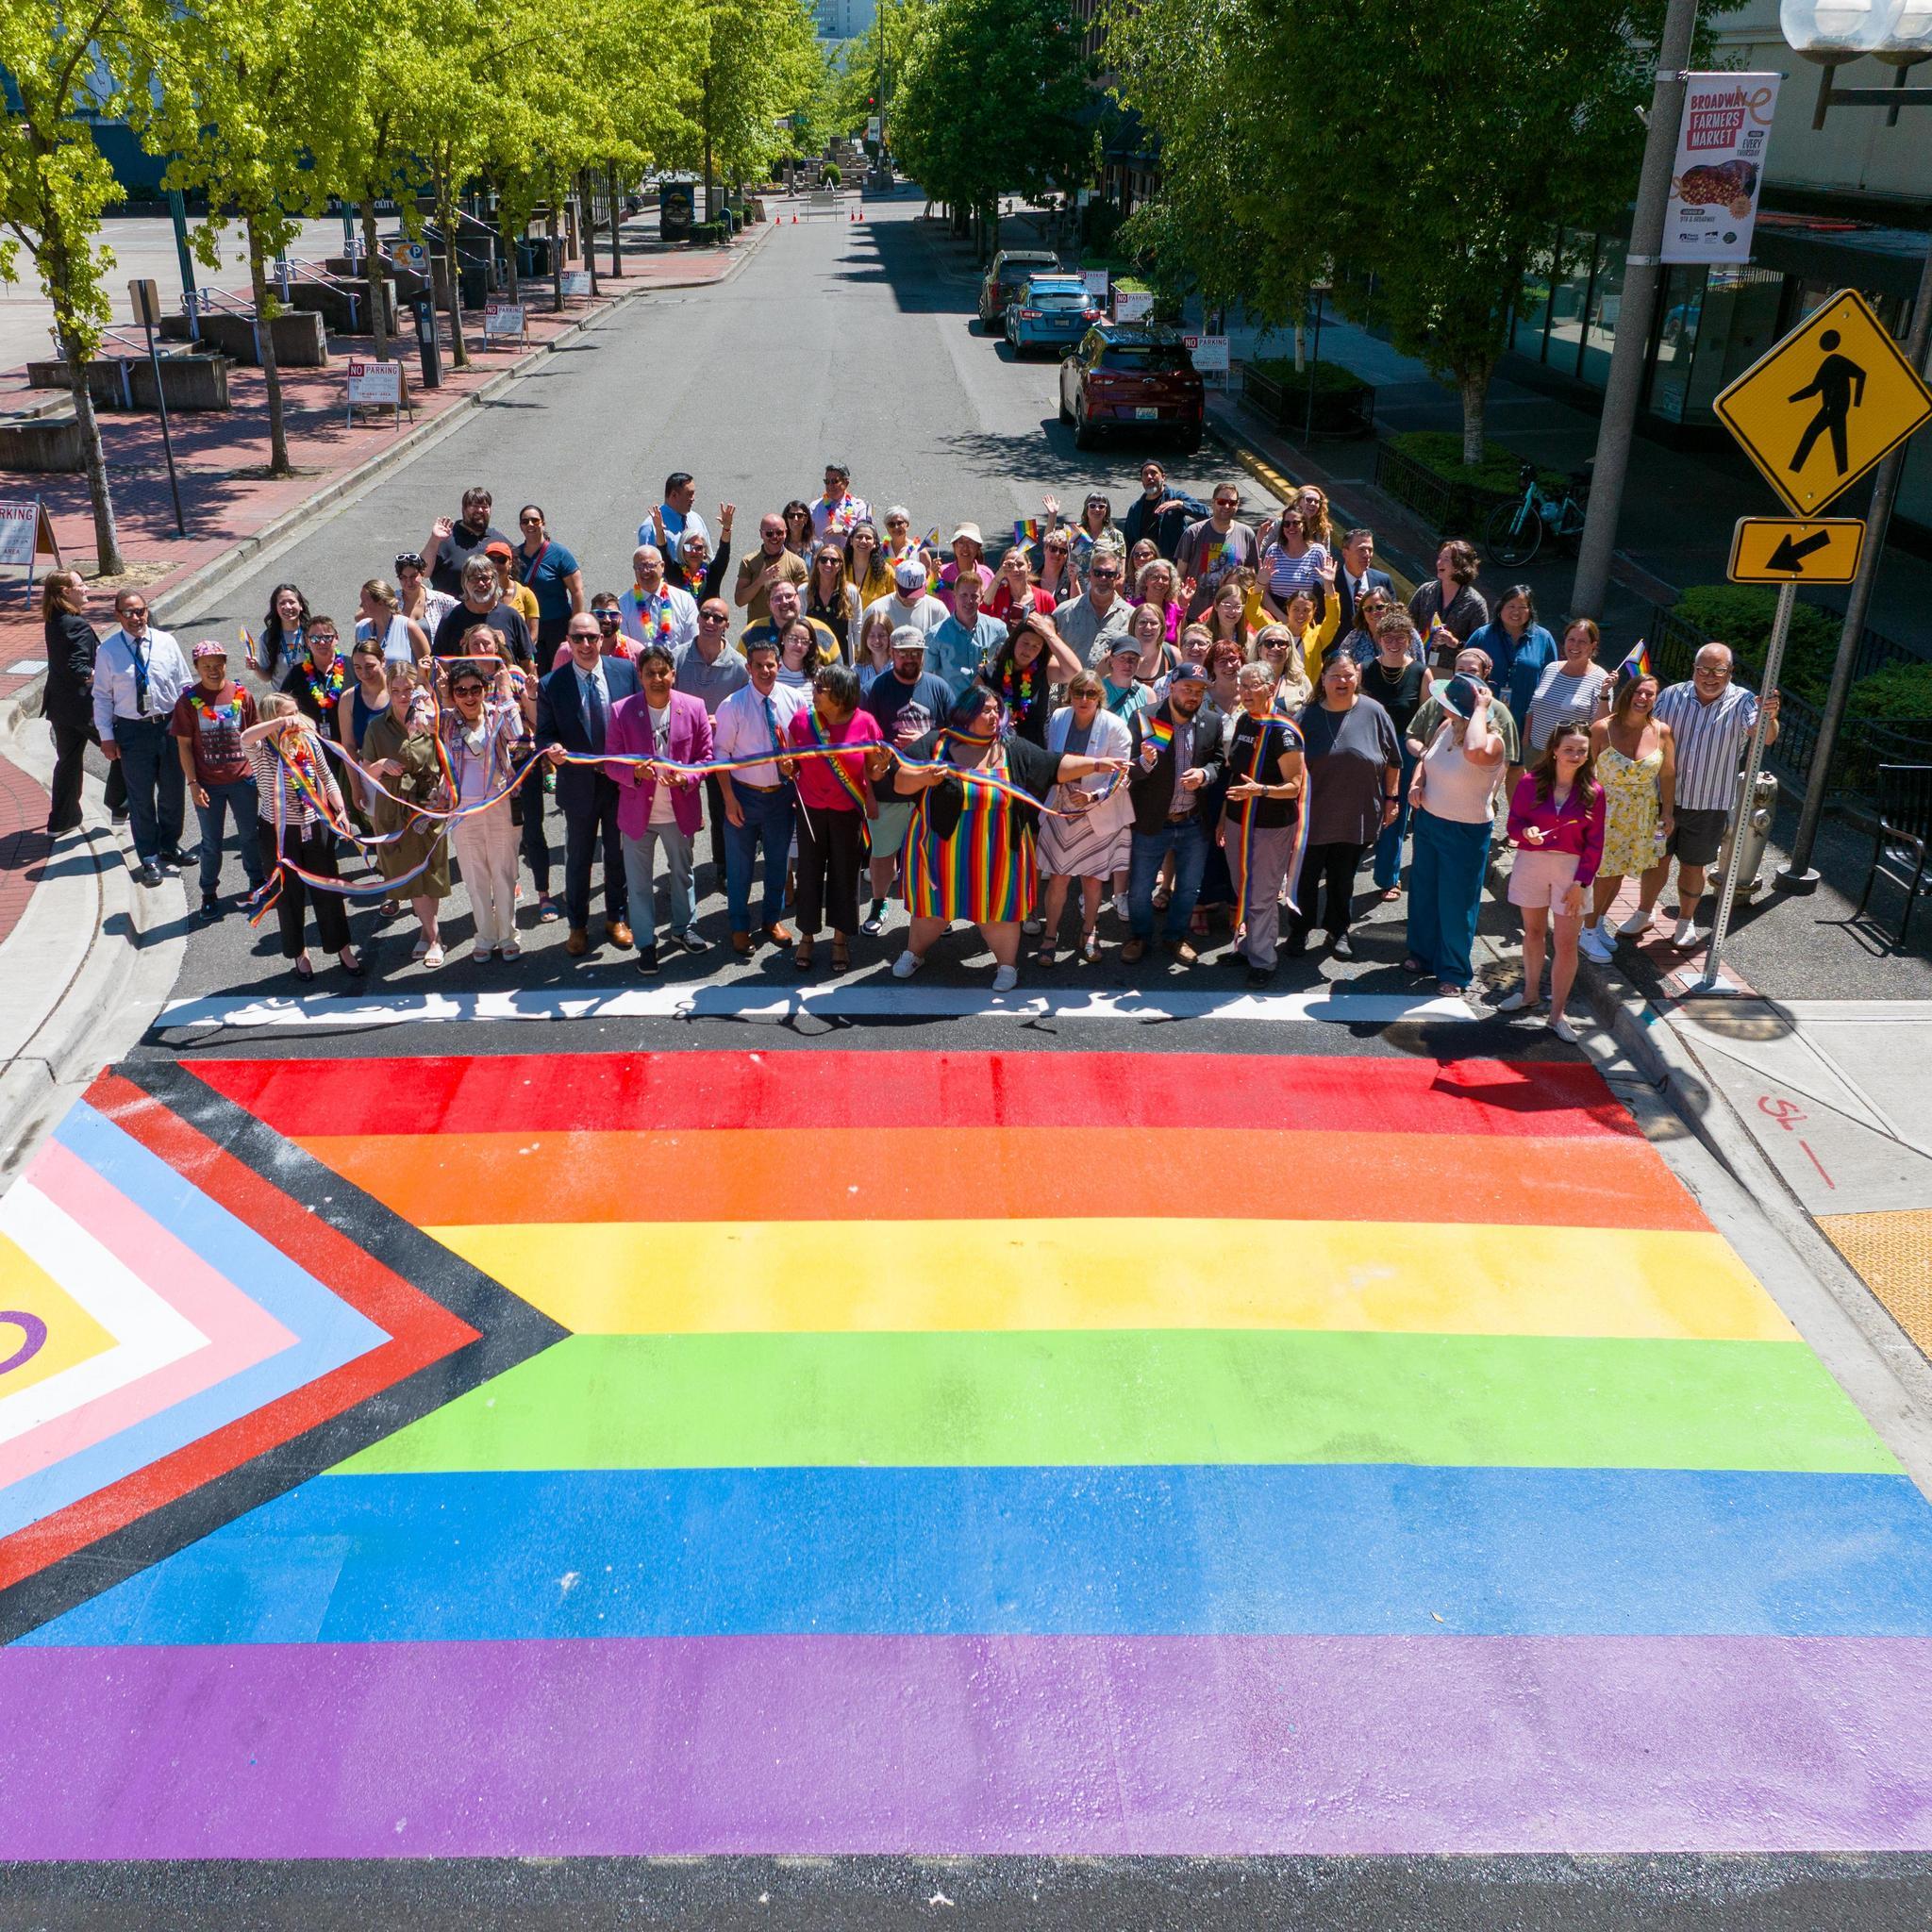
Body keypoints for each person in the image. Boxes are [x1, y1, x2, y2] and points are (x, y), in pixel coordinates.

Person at [891, 683, 1124, 993]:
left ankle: (1006, 964)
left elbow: (1054, 765)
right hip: (940, 850)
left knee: (998, 912)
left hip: (999, 852)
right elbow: (899, 781)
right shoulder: (938, 743)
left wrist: (1097, 763)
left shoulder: (1010, 747)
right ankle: (914, 953)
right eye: (985, 709)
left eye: (996, 710)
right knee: (933, 909)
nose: (993, 715)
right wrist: (923, 776)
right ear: (967, 712)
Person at [1650, 642, 1780, 947]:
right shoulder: (1671, 695)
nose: (1710, 677)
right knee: (1655, 860)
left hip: (1709, 803)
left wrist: (1770, 716)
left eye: (1718, 670)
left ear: (1730, 672)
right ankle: (1644, 912)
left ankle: (1685, 921)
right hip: (1663, 799)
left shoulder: (1745, 701)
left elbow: (1766, 736)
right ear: (1693, 669)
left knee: (1694, 865)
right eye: (1703, 670)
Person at [607, 641, 712, 974]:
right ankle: (646, 944)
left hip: (679, 812)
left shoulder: (694, 707)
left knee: (683, 875)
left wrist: (687, 778)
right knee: (638, 883)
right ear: (640, 675)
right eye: (649, 672)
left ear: (673, 674)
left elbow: (707, 759)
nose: (656, 678)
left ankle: (684, 929)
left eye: (662, 672)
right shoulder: (620, 711)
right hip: (638, 814)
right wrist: (633, 774)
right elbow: (611, 764)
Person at [240, 693, 364, 976]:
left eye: (296, 712)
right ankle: (299, 953)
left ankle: (342, 948)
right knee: (288, 893)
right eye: (287, 714)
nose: (295, 719)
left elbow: (327, 776)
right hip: (278, 832)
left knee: (328, 887)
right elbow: (245, 737)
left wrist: (340, 810)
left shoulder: (307, 740)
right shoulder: (262, 748)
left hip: (315, 823)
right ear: (272, 718)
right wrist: (279, 723)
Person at [539, 611, 640, 958]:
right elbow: (544, 735)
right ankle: (577, 926)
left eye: (592, 637)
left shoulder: (625, 672)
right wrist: (551, 750)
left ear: (603, 638)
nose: (585, 644)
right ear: (567, 640)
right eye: (578, 638)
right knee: (578, 860)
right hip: (578, 787)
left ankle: (617, 918)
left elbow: (638, 721)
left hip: (619, 784)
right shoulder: (552, 683)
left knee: (618, 855)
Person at [1290, 653, 1400, 959]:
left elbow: (1393, 761)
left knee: (1343, 878)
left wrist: (1392, 799)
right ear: (1322, 679)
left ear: (1358, 677)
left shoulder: (1374, 711)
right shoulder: (1306, 717)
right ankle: (1299, 930)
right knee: (1307, 879)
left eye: (1348, 675)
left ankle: (1338, 931)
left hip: (1358, 815)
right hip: (1312, 817)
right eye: (1335, 675)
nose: (1342, 681)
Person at [778, 662, 887, 972]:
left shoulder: (865, 723)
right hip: (811, 808)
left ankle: (840, 938)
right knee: (809, 873)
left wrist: (879, 774)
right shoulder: (802, 721)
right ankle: (808, 936)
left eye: (820, 689)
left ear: (840, 695)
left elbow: (873, 769)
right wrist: (788, 768)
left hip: (848, 811)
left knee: (845, 873)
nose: (813, 692)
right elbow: (792, 764)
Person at [1405, 674, 1507, 996]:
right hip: (1430, 820)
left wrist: (1481, 708)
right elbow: (1426, 759)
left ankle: (1454, 970)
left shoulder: (1491, 743)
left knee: (1456, 901)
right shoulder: (1445, 727)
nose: (1441, 706)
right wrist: (1416, 784)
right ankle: (1422, 953)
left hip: (1467, 830)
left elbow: (1474, 749)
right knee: (1424, 890)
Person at [1503, 721, 1606, 1042]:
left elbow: (1595, 843)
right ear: (1554, 751)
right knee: (1533, 932)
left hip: (1571, 871)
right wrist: (1525, 833)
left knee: (1565, 943)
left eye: (1581, 751)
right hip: (1532, 863)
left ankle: (1557, 1014)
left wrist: (1581, 883)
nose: (1575, 755)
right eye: (1569, 750)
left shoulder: (1594, 792)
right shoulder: (1530, 783)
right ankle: (1529, 993)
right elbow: (1514, 824)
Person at [1124, 658, 1225, 964]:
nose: (1192, 695)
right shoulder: (1147, 718)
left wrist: (1205, 775)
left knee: (1188, 888)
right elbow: (1131, 773)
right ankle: (1140, 936)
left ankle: (1175, 937)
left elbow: (1218, 762)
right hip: (1153, 821)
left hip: (1193, 823)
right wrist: (1147, 761)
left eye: (1198, 690)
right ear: (1171, 688)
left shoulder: (1211, 721)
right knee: (1140, 890)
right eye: (1186, 688)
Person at [1035, 670, 1134, 966]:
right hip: (1061, 807)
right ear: (1070, 695)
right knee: (1058, 878)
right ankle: (1050, 935)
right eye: (1078, 692)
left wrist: (1094, 796)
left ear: (1100, 697)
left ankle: (1089, 932)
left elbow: (1122, 772)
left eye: (1091, 693)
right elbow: (1051, 760)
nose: (1084, 699)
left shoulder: (1116, 727)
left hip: (1097, 810)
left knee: (1092, 881)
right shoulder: (1058, 718)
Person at [94, 588, 192, 887]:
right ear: (118, 615)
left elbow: (184, 684)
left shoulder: (166, 642)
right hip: (132, 731)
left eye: (141, 611)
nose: (136, 617)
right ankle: (148, 857)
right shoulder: (108, 651)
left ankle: (169, 845)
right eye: (129, 612)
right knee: (140, 799)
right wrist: (106, 737)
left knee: (173, 792)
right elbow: (101, 697)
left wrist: (192, 725)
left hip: (168, 726)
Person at [715, 637, 806, 955]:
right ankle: (739, 926)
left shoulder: (795, 701)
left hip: (781, 796)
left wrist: (796, 766)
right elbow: (721, 756)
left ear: (779, 665)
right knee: (740, 867)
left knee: (778, 863)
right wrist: (729, 799)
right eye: (759, 666)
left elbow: (803, 749)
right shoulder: (732, 706)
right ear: (748, 668)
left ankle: (771, 919)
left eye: (771, 664)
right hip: (743, 795)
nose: (765, 670)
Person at [1222, 660, 1307, 988]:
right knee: (1243, 887)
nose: (1245, 693)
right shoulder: (1246, 719)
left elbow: (1294, 786)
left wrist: (1260, 790)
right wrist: (1221, 820)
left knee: (1262, 894)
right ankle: (1247, 947)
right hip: (1236, 821)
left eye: (1252, 686)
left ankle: (1263, 960)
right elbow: (1234, 775)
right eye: (1241, 687)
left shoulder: (1284, 731)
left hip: (1270, 826)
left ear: (1270, 688)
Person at [361, 664, 454, 967]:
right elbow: (366, 770)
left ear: (417, 690)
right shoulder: (377, 726)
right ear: (388, 689)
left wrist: (444, 788)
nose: (402, 696)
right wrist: (383, 763)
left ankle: (428, 933)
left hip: (428, 805)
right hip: (395, 809)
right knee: (411, 873)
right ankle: (434, 935)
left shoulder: (432, 719)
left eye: (408, 690)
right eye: (396, 690)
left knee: (431, 872)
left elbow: (448, 759)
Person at [1581, 667, 1675, 963]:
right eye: (1639, 692)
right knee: (1604, 874)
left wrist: (1668, 812)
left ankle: (1597, 925)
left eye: (1650, 694)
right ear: (1628, 693)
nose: (1643, 698)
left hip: (1642, 812)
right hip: (1605, 811)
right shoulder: (1602, 728)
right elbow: (1583, 772)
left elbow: (1669, 775)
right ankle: (1586, 929)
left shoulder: (1662, 731)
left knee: (1620, 872)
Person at [171, 640, 265, 920]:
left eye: (218, 664)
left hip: (243, 780)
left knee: (250, 834)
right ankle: (209, 892)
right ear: (197, 667)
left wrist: (261, 773)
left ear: (225, 663)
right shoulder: (188, 702)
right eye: (206, 665)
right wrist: (193, 783)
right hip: (208, 784)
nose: (213, 670)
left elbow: (255, 736)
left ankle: (256, 882)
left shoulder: (242, 695)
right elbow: (184, 745)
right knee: (211, 841)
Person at [439, 658, 525, 960]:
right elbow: (417, 725)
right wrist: (433, 691)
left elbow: (516, 734)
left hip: (500, 805)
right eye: (461, 691)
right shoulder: (447, 721)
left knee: (503, 873)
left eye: (476, 689)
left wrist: (505, 693)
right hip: (463, 811)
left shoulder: (497, 714)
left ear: (484, 689)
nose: (469, 696)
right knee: (475, 877)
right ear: (453, 694)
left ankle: (508, 936)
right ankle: (485, 937)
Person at [675, 596, 751, 893]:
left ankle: (724, 866)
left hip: (723, 748)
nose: (710, 622)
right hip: (686, 750)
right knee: (683, 808)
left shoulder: (739, 667)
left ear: (727, 626)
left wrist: (723, 720)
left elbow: (746, 708)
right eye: (705, 615)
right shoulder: (678, 658)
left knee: (723, 809)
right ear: (697, 619)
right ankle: (681, 870)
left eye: (717, 618)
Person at [1360, 612, 1433, 899]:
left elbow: (1428, 719)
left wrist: (1425, 756)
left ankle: (1388, 877)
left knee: (1395, 812)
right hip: (1369, 747)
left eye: (1400, 638)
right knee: (1364, 809)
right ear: (1379, 640)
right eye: (1387, 637)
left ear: (1408, 640)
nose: (1393, 643)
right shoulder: (1363, 669)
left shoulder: (1420, 672)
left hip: (1404, 750)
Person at [1468, 585, 1556, 788]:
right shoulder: (1483, 635)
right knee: (1482, 764)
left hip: (1524, 716)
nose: (1516, 612)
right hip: (1486, 714)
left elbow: (1550, 677)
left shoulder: (1543, 638)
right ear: (1500, 608)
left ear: (1530, 610)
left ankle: (1515, 818)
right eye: (1511, 606)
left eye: (1523, 607)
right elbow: (1465, 672)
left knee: (1517, 768)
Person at [41, 570, 102, 838]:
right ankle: (120, 804)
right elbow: (78, 666)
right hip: (83, 708)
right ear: (66, 591)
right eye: (81, 585)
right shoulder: (75, 624)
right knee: (125, 748)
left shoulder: (54, 620)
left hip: (60, 707)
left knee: (68, 761)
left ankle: (62, 820)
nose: (86, 588)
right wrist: (103, 677)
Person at [986, 612, 1081, 748]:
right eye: (1025, 643)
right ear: (1014, 641)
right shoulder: (990, 671)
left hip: (1035, 752)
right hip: (998, 750)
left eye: (1036, 646)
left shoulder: (1044, 669)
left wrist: (1049, 635)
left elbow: (1075, 673)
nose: (1028, 650)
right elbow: (972, 711)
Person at [1525, 618, 1613, 761]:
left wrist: (1604, 693)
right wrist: (1525, 742)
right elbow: (1532, 708)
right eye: (1571, 639)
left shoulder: (1601, 678)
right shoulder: (1551, 668)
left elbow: (1601, 725)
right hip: (1536, 751)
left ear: (1593, 645)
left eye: (1582, 641)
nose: (1575, 645)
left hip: (1570, 758)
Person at [1174, 483, 1257, 622]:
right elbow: (1179, 574)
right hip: (1196, 615)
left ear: (1237, 505)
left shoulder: (1246, 534)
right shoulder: (1193, 532)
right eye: (1222, 502)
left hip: (1232, 617)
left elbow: (1251, 577)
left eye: (1232, 503)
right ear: (1213, 503)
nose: (1226, 506)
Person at [432, 556, 533, 669]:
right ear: (465, 582)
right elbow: (442, 665)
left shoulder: (511, 616)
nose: (480, 584)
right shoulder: (450, 619)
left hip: (506, 685)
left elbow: (527, 663)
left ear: (495, 580)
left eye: (485, 578)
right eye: (474, 578)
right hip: (464, 686)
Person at [512, 504, 584, 655]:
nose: (530, 524)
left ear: (543, 524)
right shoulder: (515, 556)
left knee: (560, 671)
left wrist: (575, 627)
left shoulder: (560, 554)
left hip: (558, 626)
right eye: (525, 522)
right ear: (520, 526)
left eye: (535, 520)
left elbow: (577, 592)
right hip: (528, 626)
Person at [1407, 539, 1489, 661]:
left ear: (1459, 566)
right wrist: (1424, 638)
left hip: (1452, 671)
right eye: (1439, 558)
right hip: (1419, 663)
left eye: (1446, 559)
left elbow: (1480, 649)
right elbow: (1406, 624)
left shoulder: (1475, 603)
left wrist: (1456, 643)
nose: (1439, 562)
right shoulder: (1426, 591)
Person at [425, 486, 509, 599]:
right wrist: (434, 539)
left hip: (489, 612)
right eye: (474, 506)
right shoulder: (446, 537)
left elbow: (519, 569)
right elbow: (423, 571)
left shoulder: (498, 539)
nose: (480, 510)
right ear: (464, 509)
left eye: (484, 507)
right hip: (451, 613)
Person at [930, 569, 1007, 693]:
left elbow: (1008, 667)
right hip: (952, 708)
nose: (969, 601)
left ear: (981, 598)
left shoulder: (998, 630)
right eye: (964, 595)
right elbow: (928, 677)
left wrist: (992, 667)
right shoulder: (936, 634)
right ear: (954, 596)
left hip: (985, 706)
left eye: (974, 596)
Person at [1057, 546, 1134, 665]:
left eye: (1109, 574)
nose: (1103, 578)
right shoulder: (1064, 612)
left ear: (1117, 577)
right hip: (1072, 683)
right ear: (1090, 574)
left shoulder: (1131, 616)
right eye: (1098, 573)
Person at [1258, 503, 1334, 622]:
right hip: (1275, 616)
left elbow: (1325, 593)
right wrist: (1282, 617)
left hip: (1306, 617)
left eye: (1296, 523)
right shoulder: (1273, 550)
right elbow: (1264, 591)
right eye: (1286, 524)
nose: (1291, 527)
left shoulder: (1318, 552)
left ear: (1304, 525)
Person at [280, 613, 349, 742]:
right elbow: (280, 707)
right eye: (315, 638)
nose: (322, 642)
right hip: (311, 746)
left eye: (327, 637)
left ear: (336, 638)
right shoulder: (297, 673)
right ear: (307, 641)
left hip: (349, 745)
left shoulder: (354, 667)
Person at [733, 511, 811, 622]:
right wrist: (760, 581)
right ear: (761, 534)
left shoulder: (797, 563)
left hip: (787, 629)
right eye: (769, 533)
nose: (775, 537)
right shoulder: (749, 561)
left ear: (785, 533)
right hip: (759, 629)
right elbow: (739, 601)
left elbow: (803, 600)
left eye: (779, 533)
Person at [619, 544, 698, 652]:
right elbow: (624, 646)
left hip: (677, 666)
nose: (645, 571)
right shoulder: (623, 603)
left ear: (662, 566)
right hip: (637, 667)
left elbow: (692, 643)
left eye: (650, 565)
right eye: (639, 567)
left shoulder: (684, 600)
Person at [1121, 460, 1208, 558]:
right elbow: (1128, 542)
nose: (1149, 477)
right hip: (1143, 563)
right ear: (1142, 480)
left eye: (1153, 473)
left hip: (1170, 564)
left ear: (1163, 477)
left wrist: (1181, 505)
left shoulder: (1176, 497)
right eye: (1145, 474)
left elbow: (1204, 513)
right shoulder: (1135, 509)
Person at [743, 579, 841, 665]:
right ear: (769, 605)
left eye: (789, 596)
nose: (785, 601)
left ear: (799, 598)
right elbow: (740, 673)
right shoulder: (753, 632)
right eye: (777, 598)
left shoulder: (822, 631)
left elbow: (838, 676)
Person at [862, 558, 949, 643]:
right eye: (906, 592)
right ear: (895, 584)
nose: (910, 598)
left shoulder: (938, 610)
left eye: (916, 592)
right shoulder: (875, 610)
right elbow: (863, 651)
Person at [357, 578, 430, 671]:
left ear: (380, 602)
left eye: (364, 601)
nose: (361, 605)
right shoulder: (361, 628)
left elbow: (428, 667)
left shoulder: (409, 627)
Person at [1332, 527, 1393, 639]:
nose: (1367, 555)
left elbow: (1394, 618)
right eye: (1361, 550)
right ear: (1345, 553)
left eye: (1370, 550)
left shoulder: (1383, 581)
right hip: (1337, 653)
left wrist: (1372, 608)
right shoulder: (1327, 585)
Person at [804, 541, 861, 655]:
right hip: (811, 656)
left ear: (840, 565)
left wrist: (858, 654)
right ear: (817, 563)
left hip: (841, 656)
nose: (828, 564)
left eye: (834, 561)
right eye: (823, 560)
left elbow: (858, 626)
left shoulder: (851, 592)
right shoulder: (804, 591)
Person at [641, 472, 713, 558]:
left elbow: (709, 557)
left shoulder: (696, 519)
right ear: (674, 495)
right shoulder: (650, 526)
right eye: (689, 494)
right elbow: (645, 564)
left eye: (694, 494)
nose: (693, 498)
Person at [253, 583, 309, 682]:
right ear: (275, 608)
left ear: (301, 606)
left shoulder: (312, 633)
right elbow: (267, 677)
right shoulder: (267, 637)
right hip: (282, 696)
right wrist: (256, 668)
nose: (287, 606)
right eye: (282, 603)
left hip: (312, 694)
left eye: (292, 602)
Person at [671, 515, 733, 604]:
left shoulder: (712, 572)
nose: (694, 551)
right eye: (688, 547)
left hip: (709, 617)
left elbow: (723, 553)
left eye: (698, 548)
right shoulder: (675, 572)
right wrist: (658, 529)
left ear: (705, 551)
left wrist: (726, 529)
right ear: (682, 550)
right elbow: (663, 552)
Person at [394, 552, 456, 641]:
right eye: (403, 577)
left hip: (431, 655)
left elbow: (465, 612)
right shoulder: (390, 601)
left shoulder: (441, 600)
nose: (409, 582)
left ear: (422, 573)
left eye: (413, 576)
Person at [991, 546, 1057, 627]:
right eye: (1010, 565)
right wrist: (997, 577)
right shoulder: (997, 596)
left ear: (1029, 567)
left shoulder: (1045, 598)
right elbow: (983, 612)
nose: (1015, 569)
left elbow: (1054, 630)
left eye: (1019, 564)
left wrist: (1027, 625)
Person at [1255, 625, 1314, 713]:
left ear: (1290, 650)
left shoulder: (1301, 680)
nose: (1276, 648)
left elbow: (1310, 715)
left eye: (1282, 644)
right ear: (1259, 650)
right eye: (1269, 644)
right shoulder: (1245, 679)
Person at [937, 523, 995, 610]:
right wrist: (933, 577)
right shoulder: (941, 572)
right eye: (961, 542)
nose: (965, 548)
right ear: (954, 546)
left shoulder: (988, 575)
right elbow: (932, 601)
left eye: (971, 543)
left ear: (978, 547)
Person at [809, 464, 870, 544]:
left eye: (835, 481)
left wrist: (844, 531)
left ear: (846, 483)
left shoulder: (858, 506)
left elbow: (865, 533)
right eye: (827, 482)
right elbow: (807, 535)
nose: (830, 485)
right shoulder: (814, 507)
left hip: (850, 556)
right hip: (823, 555)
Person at [1134, 557, 1184, 646]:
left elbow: (1177, 646)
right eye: (1155, 577)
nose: (1160, 581)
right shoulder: (1132, 608)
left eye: (1165, 578)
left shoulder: (1174, 611)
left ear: (1170, 583)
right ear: (1146, 580)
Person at [844, 520, 892, 609]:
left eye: (868, 538)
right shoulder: (840, 567)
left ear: (875, 544)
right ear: (851, 541)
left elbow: (894, 601)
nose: (863, 541)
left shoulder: (885, 571)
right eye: (859, 537)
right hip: (843, 622)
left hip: (874, 621)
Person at [853, 607, 897, 695]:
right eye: (871, 635)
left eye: (882, 635)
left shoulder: (898, 668)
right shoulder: (856, 670)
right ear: (865, 637)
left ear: (890, 637)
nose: (877, 640)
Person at [1036, 527, 1078, 608]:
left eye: (1063, 551)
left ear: (1067, 556)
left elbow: (1078, 608)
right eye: (1053, 549)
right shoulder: (1031, 578)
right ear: (1045, 549)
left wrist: (1074, 583)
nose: (1057, 554)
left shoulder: (1074, 578)